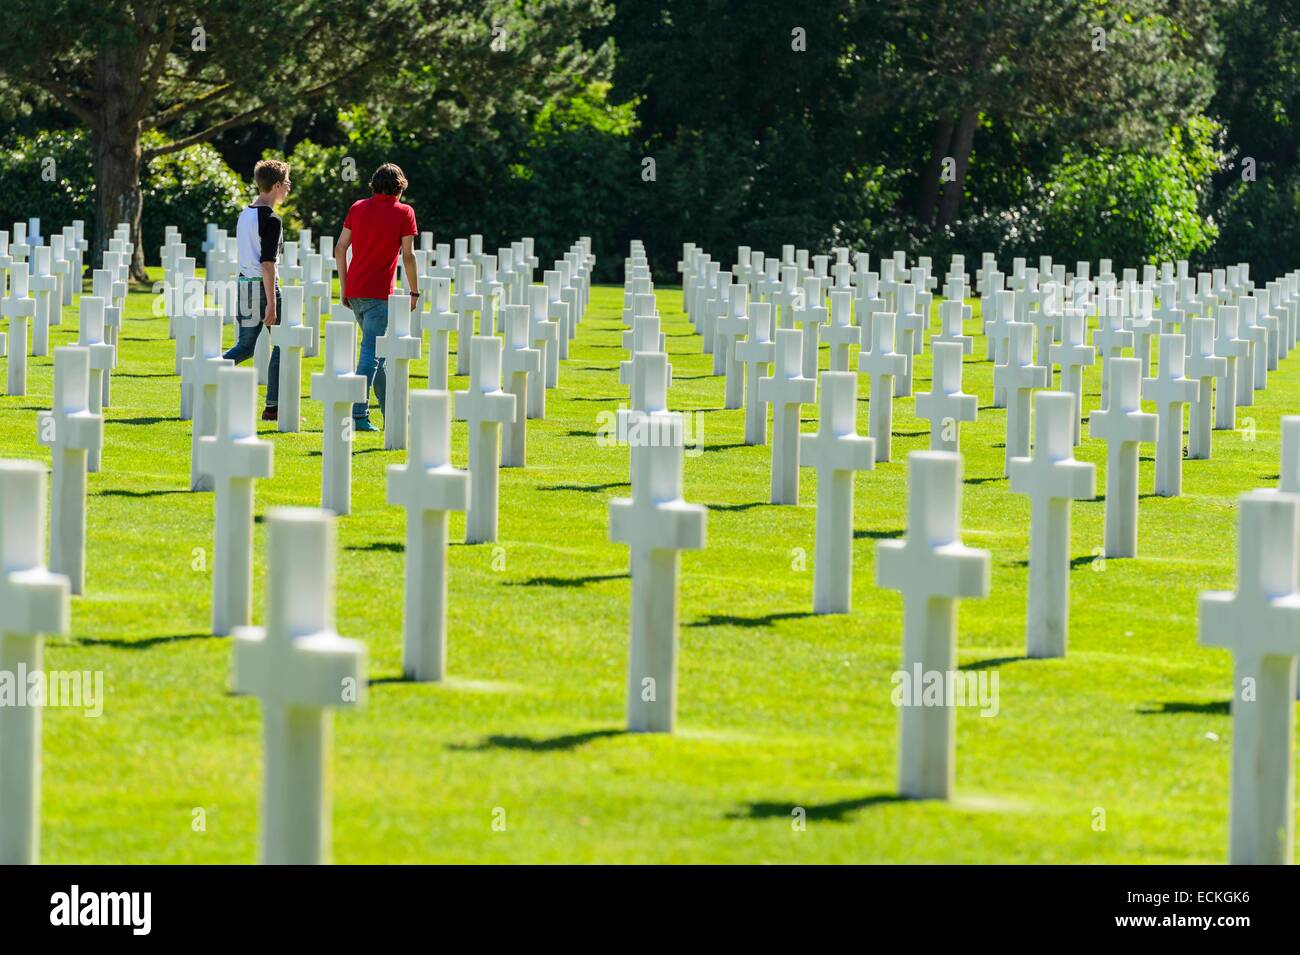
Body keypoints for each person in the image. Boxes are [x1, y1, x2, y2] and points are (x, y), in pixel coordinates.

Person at [335, 162, 420, 431]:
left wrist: (344, 286)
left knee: (378, 356)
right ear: (400, 187)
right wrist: (414, 291)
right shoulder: (404, 212)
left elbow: (340, 248)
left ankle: (392, 413)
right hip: (379, 294)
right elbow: (408, 255)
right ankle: (358, 415)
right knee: (371, 354)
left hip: (356, 290)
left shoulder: (357, 207)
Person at [224, 158, 290, 421]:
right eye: (286, 183)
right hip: (263, 288)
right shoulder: (272, 219)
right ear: (275, 185)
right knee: (284, 344)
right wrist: (272, 302)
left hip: (244, 285)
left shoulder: (245, 213)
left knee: (244, 347)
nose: (288, 188)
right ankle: (273, 407)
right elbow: (267, 263)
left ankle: (204, 373)